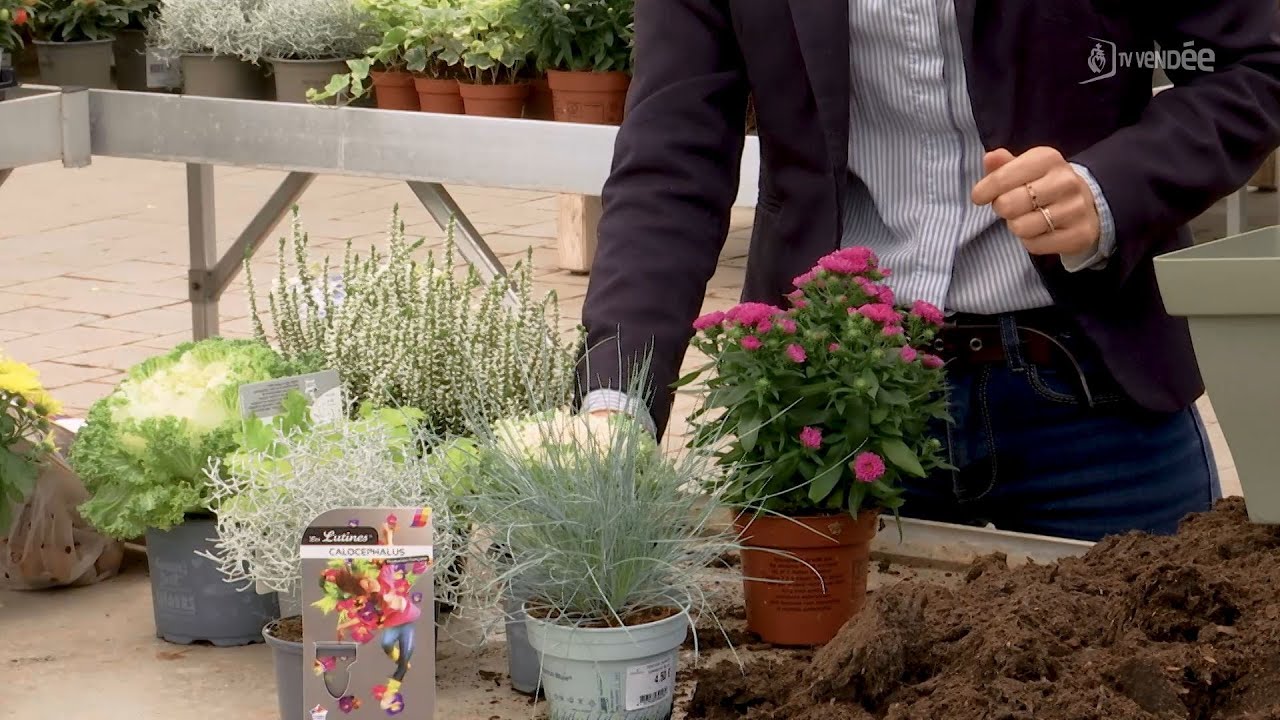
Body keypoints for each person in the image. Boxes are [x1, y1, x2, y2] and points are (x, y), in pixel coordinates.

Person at [576, 0, 1280, 542]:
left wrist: (1109, 188)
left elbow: (1256, 63)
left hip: (1095, 402)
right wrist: (617, 398)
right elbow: (673, 152)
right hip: (835, 409)